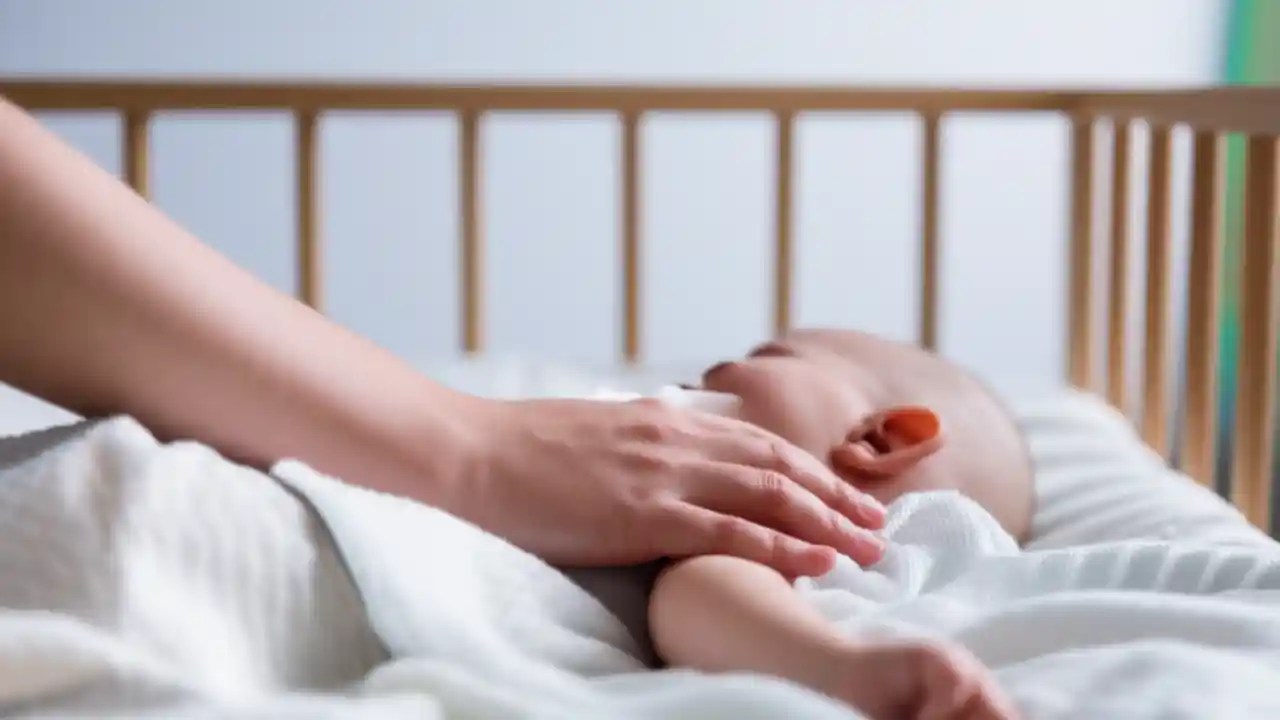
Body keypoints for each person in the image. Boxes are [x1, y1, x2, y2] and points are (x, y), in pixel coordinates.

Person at [0, 96, 887, 581]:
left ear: (890, 436)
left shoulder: (823, 547)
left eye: (777, 358)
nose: (721, 366)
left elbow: (719, 606)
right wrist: (471, 446)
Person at [646, 330, 1032, 719]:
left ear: (883, 440)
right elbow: (702, 597)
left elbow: (699, 592)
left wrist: (838, 670)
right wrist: (839, 667)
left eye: (767, 355)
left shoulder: (811, 542)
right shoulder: (765, 558)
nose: (694, 384)